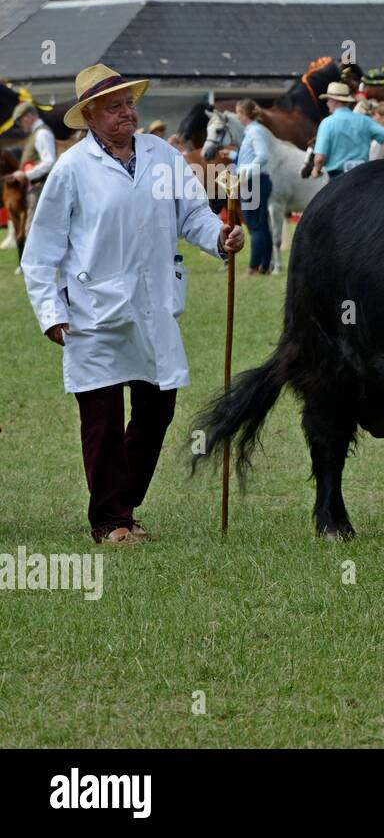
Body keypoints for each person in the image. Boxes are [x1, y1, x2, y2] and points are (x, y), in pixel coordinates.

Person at [21, 63, 244, 545]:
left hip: (154, 305)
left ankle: (123, 502)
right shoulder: (72, 170)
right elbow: (40, 253)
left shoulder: (163, 156)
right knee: (101, 419)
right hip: (91, 310)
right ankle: (110, 521)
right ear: (91, 115)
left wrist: (221, 239)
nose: (128, 113)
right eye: (115, 106)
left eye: (129, 103)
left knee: (157, 409)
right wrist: (51, 313)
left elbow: (194, 215)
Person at [5, 101, 57, 272]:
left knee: (32, 227)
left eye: (20, 121)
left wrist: (25, 175)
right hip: (35, 186)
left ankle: (33, 267)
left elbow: (49, 162)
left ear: (28, 116)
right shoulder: (38, 133)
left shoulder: (41, 134)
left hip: (40, 186)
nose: (20, 125)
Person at [310, 82, 384, 180]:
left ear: (335, 101)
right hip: (363, 175)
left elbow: (320, 158)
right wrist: (377, 163)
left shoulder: (327, 123)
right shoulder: (364, 120)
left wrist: (317, 170)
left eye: (328, 100)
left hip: (337, 178)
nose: (327, 103)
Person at [234, 99, 273, 276]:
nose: (238, 117)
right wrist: (234, 155)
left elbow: (262, 156)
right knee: (262, 225)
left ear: (247, 114)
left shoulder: (255, 131)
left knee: (255, 226)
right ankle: (265, 265)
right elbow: (253, 156)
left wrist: (245, 176)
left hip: (253, 181)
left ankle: (254, 267)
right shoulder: (254, 130)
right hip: (258, 179)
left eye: (240, 113)